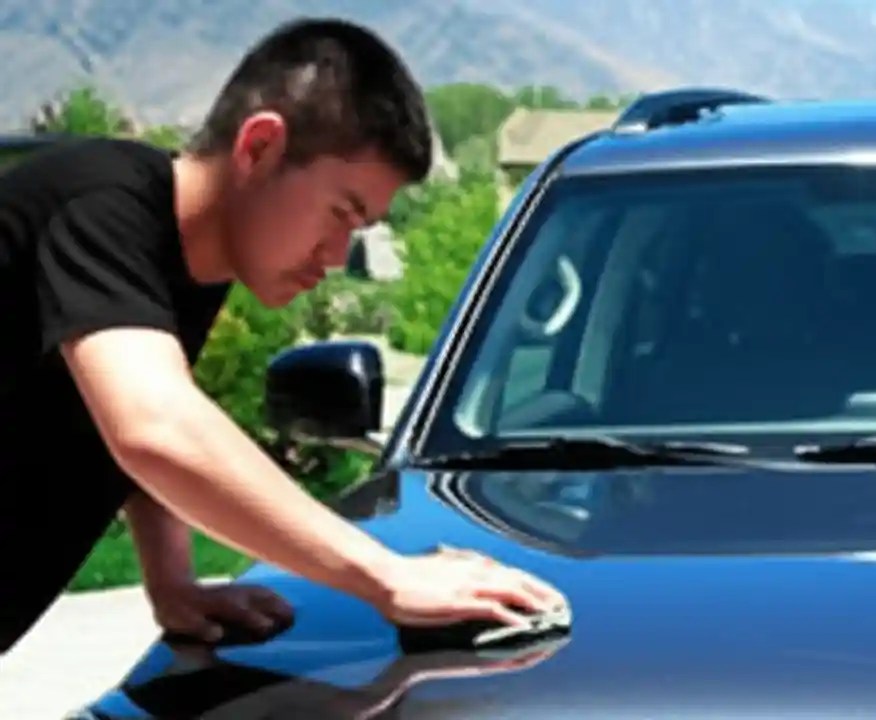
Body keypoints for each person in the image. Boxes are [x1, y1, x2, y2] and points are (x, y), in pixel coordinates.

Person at [0, 17, 563, 655]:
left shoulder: (183, 257)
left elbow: (123, 430)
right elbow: (154, 428)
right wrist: (387, 577)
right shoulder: (101, 205)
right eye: (340, 213)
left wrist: (172, 584)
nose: (334, 257)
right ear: (261, 147)